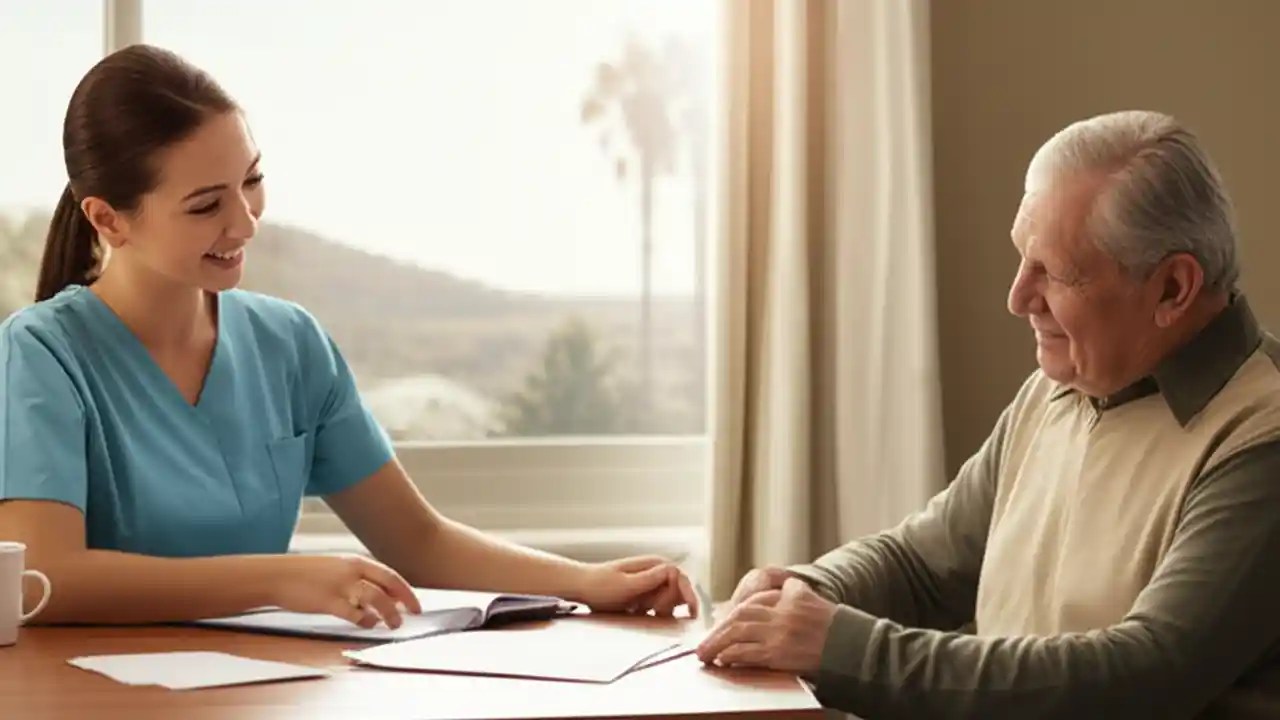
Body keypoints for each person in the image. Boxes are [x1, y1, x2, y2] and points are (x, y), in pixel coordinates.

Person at [0, 44, 696, 629]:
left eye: (252, 181)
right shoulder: (43, 356)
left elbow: (417, 541)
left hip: (260, 691)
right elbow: (44, 577)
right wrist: (275, 580)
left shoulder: (290, 343)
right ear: (110, 219)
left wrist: (588, 581)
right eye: (207, 205)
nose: (245, 223)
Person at [697, 110, 1280, 719]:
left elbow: (1147, 674)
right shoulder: (1056, 392)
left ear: (1172, 290)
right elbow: (923, 564)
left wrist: (840, 647)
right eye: (1021, 259)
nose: (1018, 297)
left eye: (1053, 272)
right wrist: (809, 588)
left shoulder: (1262, 434)